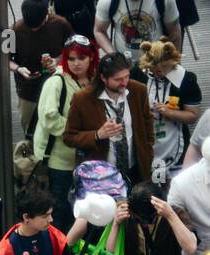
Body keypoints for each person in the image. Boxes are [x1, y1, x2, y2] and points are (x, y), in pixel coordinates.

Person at [36, 36, 100, 231]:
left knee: (85, 212)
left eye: (81, 58)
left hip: (88, 160)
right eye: (71, 59)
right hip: (59, 161)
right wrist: (81, 131)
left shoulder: (96, 80)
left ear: (91, 58)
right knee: (61, 212)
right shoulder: (57, 81)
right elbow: (49, 118)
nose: (76, 63)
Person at [64, 51, 154, 183]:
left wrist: (148, 150)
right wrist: (97, 135)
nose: (124, 83)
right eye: (118, 79)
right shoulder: (82, 99)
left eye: (127, 76)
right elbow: (68, 137)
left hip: (136, 170)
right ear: (103, 78)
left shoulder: (138, 90)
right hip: (100, 176)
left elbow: (147, 123)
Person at [138, 38, 201, 181]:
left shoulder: (186, 80)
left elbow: (192, 116)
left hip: (175, 143)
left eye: (161, 70)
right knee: (152, 187)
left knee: (175, 186)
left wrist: (171, 113)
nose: (157, 74)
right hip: (147, 142)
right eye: (153, 71)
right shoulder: (140, 74)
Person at [8, 1, 73, 135]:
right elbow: (3, 59)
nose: (34, 30)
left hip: (57, 86)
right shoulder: (12, 30)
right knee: (30, 131)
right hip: (27, 89)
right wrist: (18, 69)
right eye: (29, 26)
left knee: (57, 128)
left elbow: (73, 51)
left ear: (47, 14)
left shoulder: (62, 24)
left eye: (39, 26)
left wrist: (58, 62)